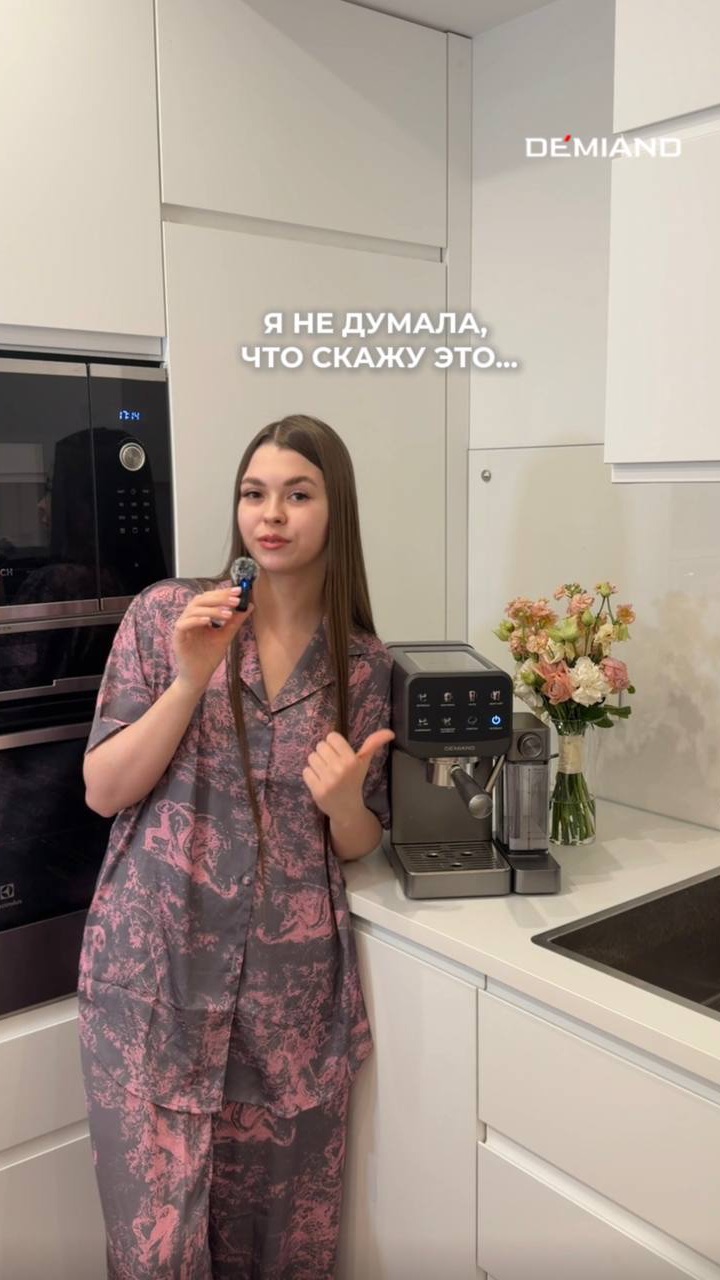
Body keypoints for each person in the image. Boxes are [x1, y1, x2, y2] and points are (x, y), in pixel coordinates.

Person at [78, 413, 395, 1279]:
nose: (272, 515)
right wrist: (191, 678)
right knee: (156, 1258)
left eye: (299, 494)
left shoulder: (363, 667)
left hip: (287, 1015)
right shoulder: (166, 616)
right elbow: (104, 789)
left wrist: (344, 806)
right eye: (256, 493)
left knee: (281, 1254)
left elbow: (359, 843)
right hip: (155, 990)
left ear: (336, 510)